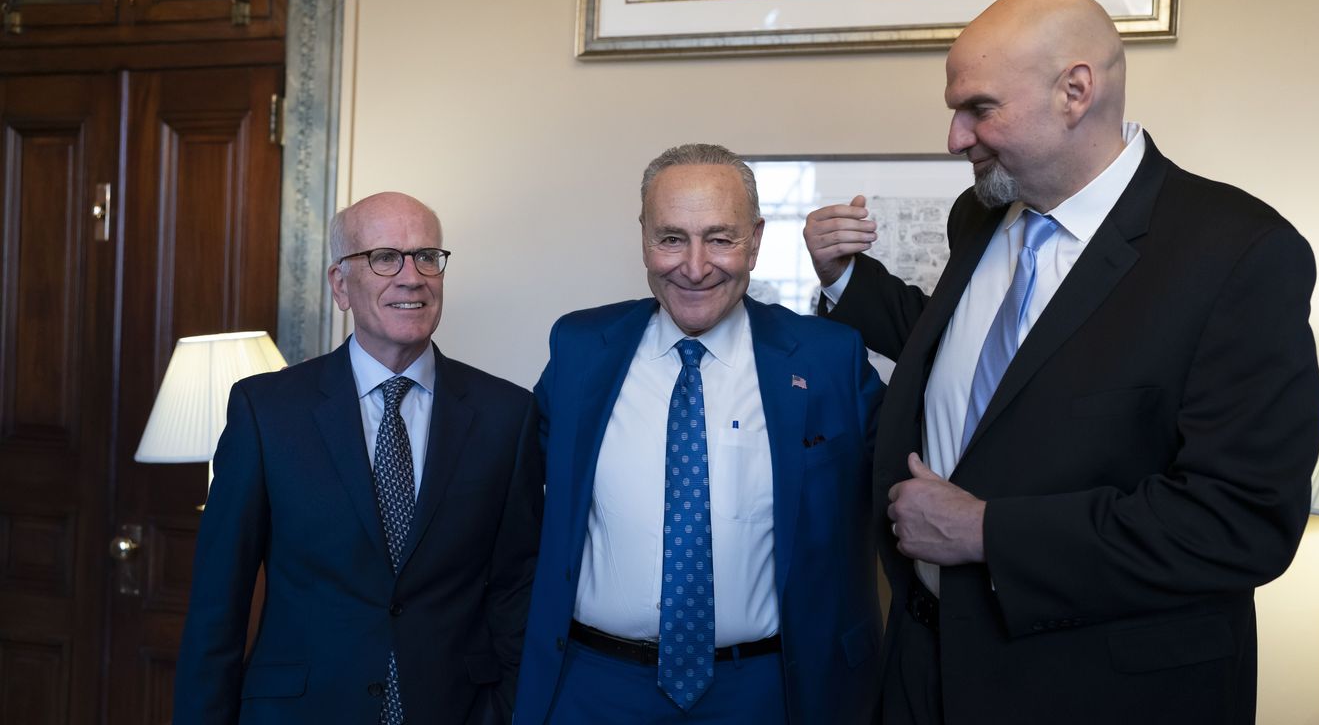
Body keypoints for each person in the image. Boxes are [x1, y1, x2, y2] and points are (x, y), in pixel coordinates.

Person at [804, 0, 1319, 724]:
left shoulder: (1238, 253)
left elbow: (1240, 522)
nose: (954, 137)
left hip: (1092, 690)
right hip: (925, 669)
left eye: (979, 108)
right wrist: (847, 282)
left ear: (1075, 91)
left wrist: (985, 532)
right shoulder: (981, 213)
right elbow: (978, 359)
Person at [515, 144, 885, 724]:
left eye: (720, 238)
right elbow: (514, 501)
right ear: (643, 237)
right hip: (594, 688)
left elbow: (903, 471)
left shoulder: (825, 359)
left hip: (767, 691)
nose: (694, 266)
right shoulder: (581, 349)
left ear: (756, 240)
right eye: (671, 238)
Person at [173, 192, 542, 724]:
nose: (411, 276)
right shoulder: (268, 413)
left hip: (457, 710)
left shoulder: (507, 414)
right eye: (384, 257)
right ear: (340, 286)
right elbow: (218, 605)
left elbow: (517, 593)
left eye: (427, 257)